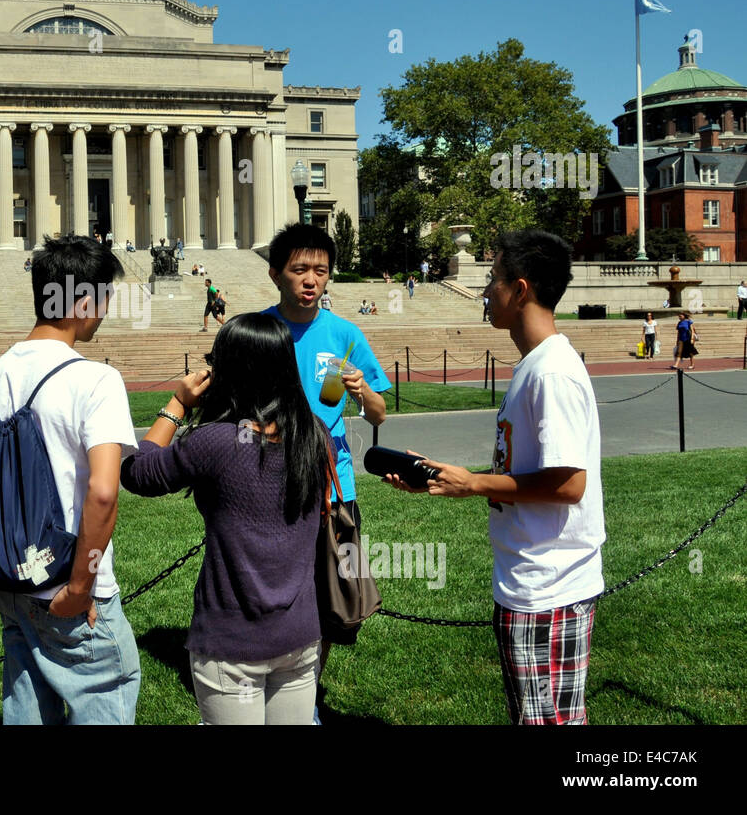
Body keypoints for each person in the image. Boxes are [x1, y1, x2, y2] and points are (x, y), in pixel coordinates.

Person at [383, 229, 604, 726]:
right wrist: (447, 478)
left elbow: (569, 484)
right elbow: (530, 474)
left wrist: (477, 484)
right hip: (529, 582)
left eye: (492, 279)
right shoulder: (535, 367)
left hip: (550, 587)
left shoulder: (551, 373)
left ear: (521, 289)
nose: (485, 291)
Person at [0, 234, 141, 725]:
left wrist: (15, 563)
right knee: (107, 694)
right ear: (85, 301)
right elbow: (103, 491)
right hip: (72, 590)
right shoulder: (96, 379)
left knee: (28, 709)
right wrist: (78, 584)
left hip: (11, 589)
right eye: (106, 299)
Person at [120, 314, 332, 724]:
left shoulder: (215, 442)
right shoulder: (314, 433)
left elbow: (137, 473)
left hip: (231, 641)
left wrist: (177, 403)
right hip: (301, 632)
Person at [261, 223, 390, 722]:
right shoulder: (260, 331)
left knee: (333, 594)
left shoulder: (344, 335)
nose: (311, 279)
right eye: (299, 269)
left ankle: (307, 695)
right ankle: (275, 688)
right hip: (270, 484)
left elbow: (378, 414)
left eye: (320, 270)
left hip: (334, 488)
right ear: (276, 274)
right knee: (278, 595)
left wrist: (362, 392)